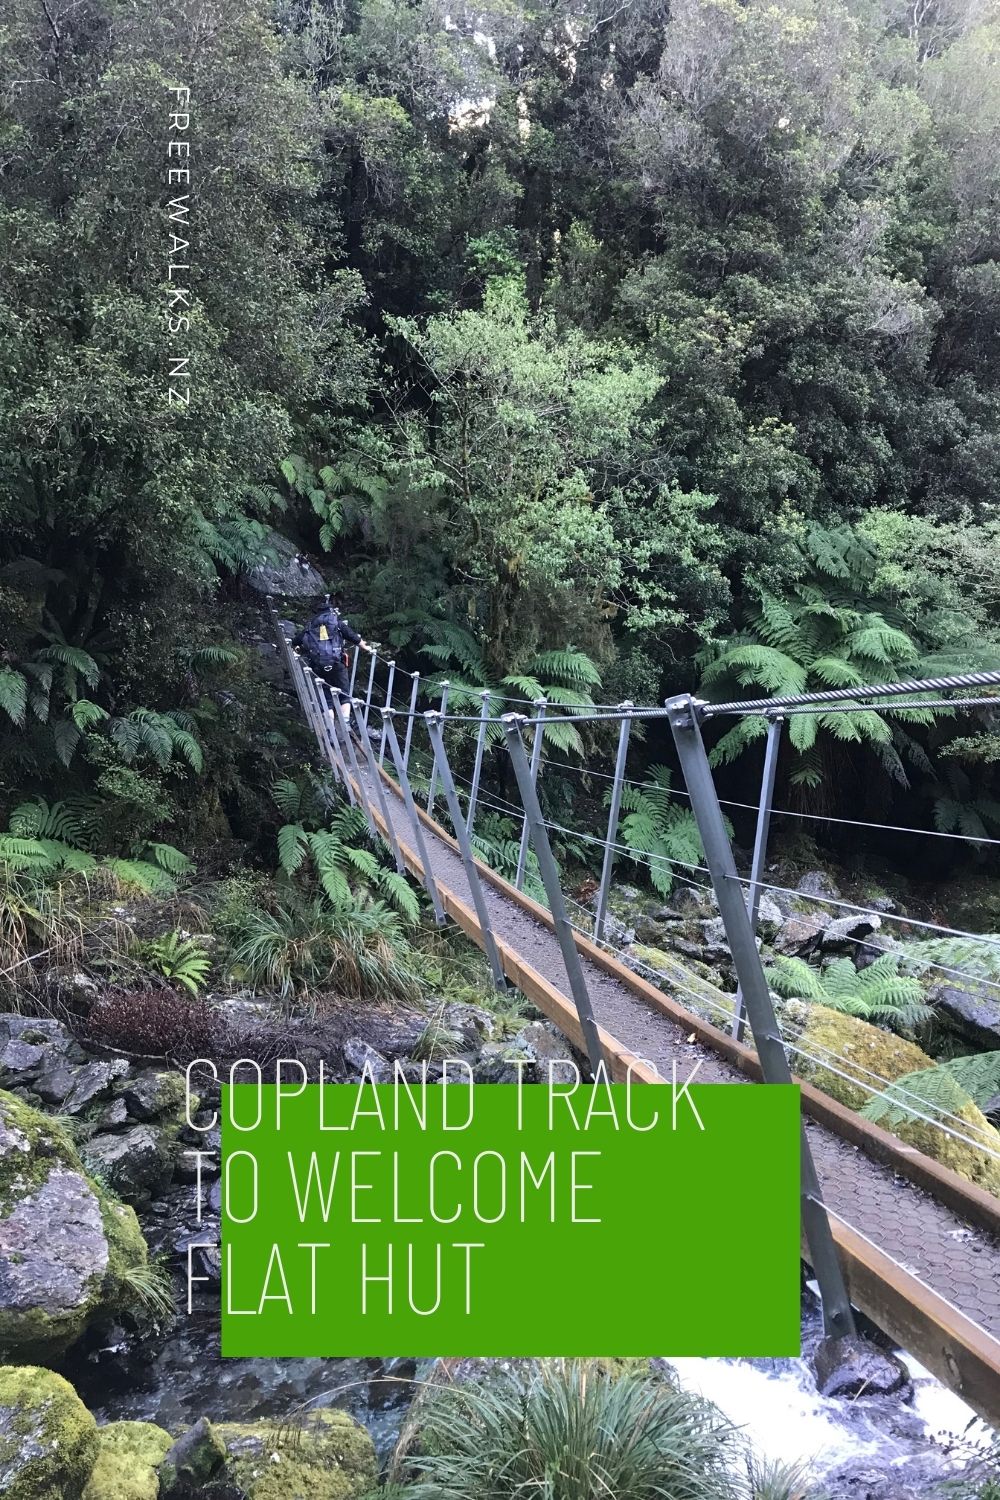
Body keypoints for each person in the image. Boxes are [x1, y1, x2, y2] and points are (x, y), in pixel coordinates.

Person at [292, 596, 365, 718]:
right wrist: (365, 646)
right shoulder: (336, 622)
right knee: (344, 696)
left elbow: (296, 641)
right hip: (337, 663)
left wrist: (297, 647)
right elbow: (353, 636)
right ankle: (346, 722)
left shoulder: (310, 626)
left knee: (326, 700)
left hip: (318, 666)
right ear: (330, 610)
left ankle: (329, 725)